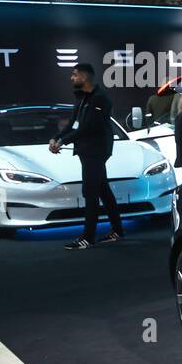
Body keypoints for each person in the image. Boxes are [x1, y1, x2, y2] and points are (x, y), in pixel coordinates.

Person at [48, 63, 124, 250]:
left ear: (84, 77)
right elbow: (73, 124)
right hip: (86, 150)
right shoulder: (81, 99)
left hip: (96, 151)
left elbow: (88, 128)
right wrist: (55, 137)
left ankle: (87, 237)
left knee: (90, 192)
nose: (71, 78)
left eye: (74, 75)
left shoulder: (100, 99)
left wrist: (62, 142)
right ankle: (118, 230)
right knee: (103, 190)